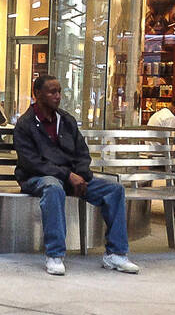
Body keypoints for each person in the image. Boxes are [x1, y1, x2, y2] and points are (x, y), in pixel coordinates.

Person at [13, 73, 140, 276]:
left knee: (114, 190)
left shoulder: (66, 120)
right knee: (53, 188)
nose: (57, 96)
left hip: (71, 178)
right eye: (52, 91)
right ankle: (54, 255)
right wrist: (67, 175)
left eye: (59, 91)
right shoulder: (25, 124)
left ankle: (115, 254)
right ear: (37, 94)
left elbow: (82, 153)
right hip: (36, 177)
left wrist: (79, 175)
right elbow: (32, 163)